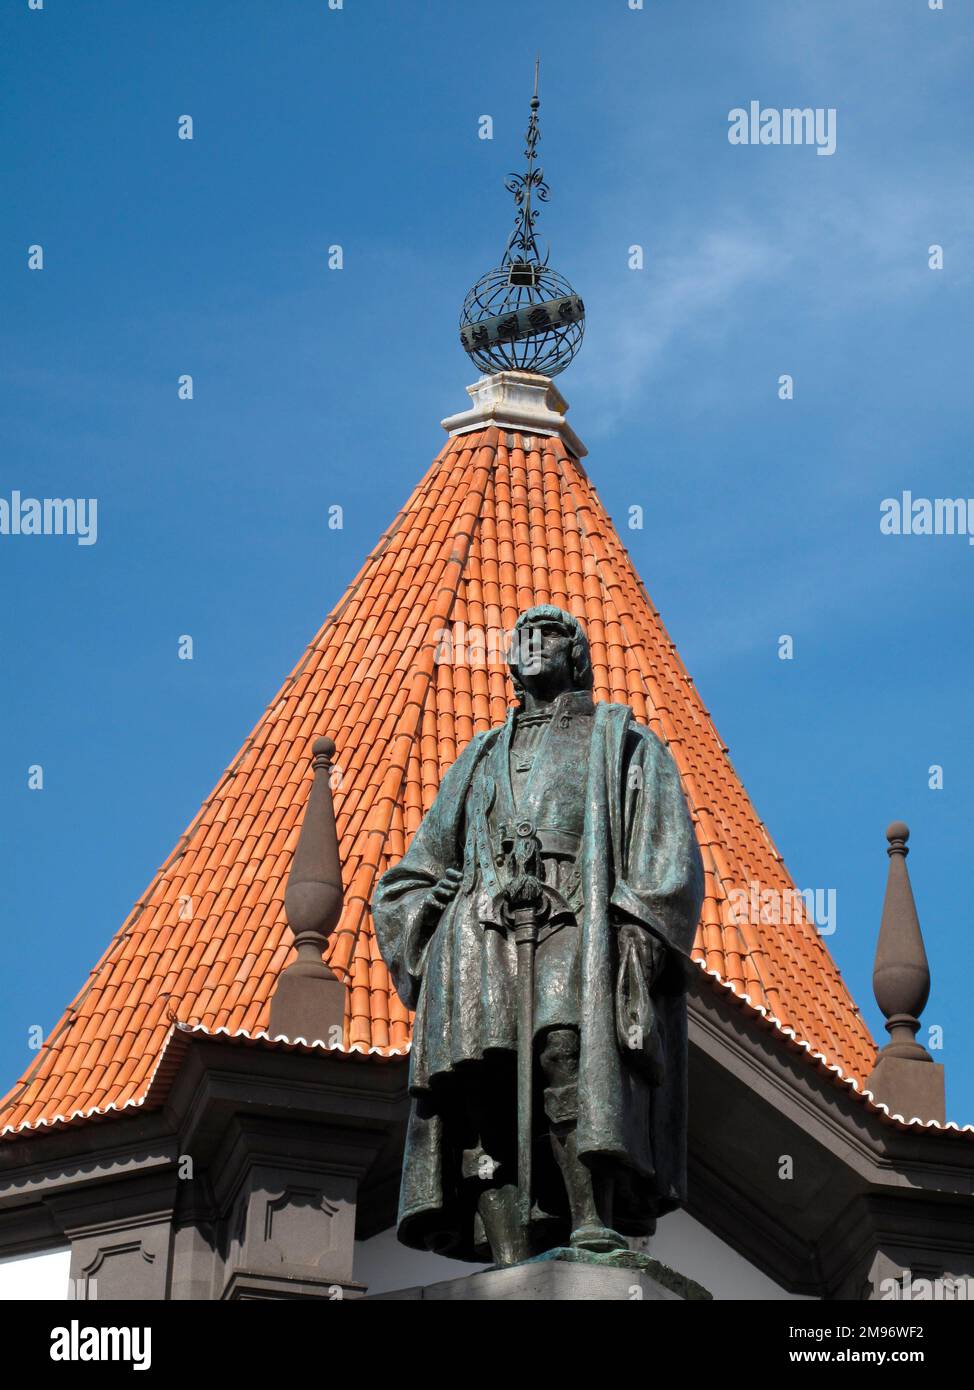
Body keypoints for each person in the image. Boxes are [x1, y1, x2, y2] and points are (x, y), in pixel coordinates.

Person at [372, 605, 704, 1265]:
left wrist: (638, 931)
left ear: (576, 654)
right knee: (481, 1082)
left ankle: (589, 1220)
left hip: (576, 916)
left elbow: (668, 855)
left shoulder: (621, 741)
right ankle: (507, 1252)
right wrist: (430, 908)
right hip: (479, 930)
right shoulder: (478, 757)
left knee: (565, 1048)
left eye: (549, 632)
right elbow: (409, 876)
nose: (531, 641)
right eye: (522, 634)